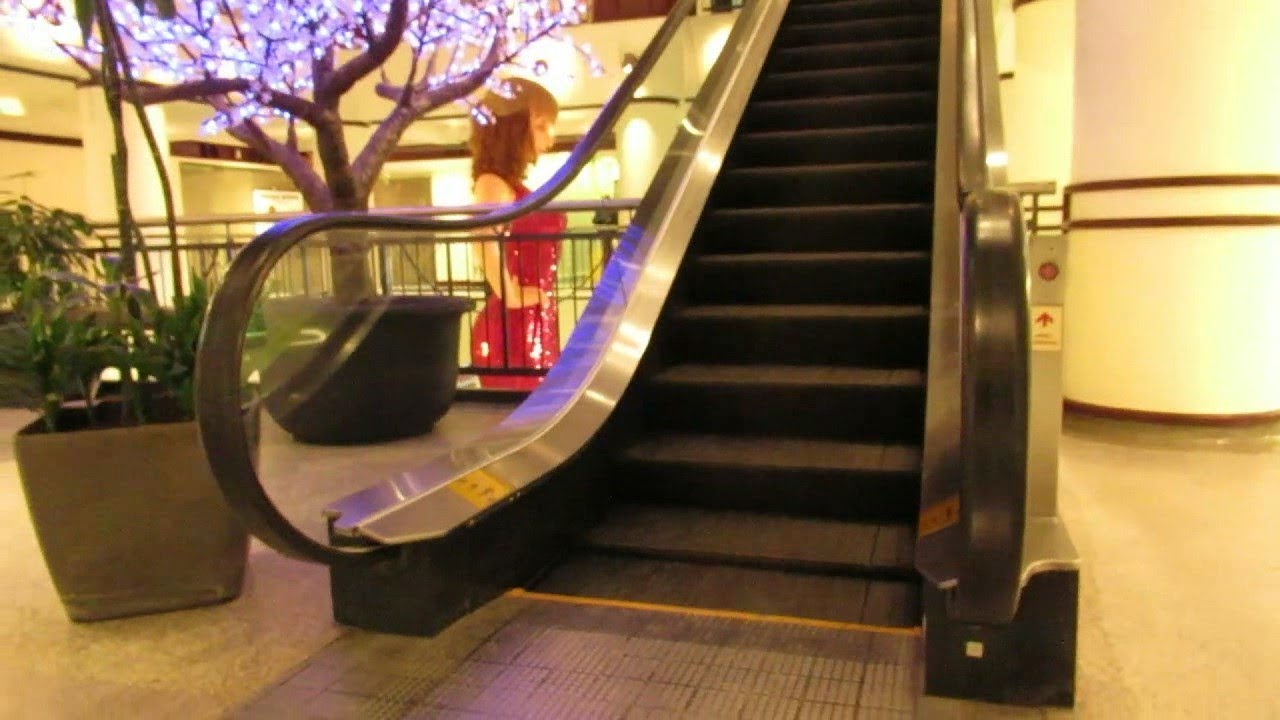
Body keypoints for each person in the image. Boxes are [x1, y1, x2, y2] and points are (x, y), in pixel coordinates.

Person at [468, 77, 567, 391]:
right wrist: (512, 295)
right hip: (514, 327)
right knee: (519, 409)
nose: (550, 138)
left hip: (529, 319)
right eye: (541, 125)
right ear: (514, 126)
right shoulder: (492, 184)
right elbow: (483, 239)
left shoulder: (504, 184)